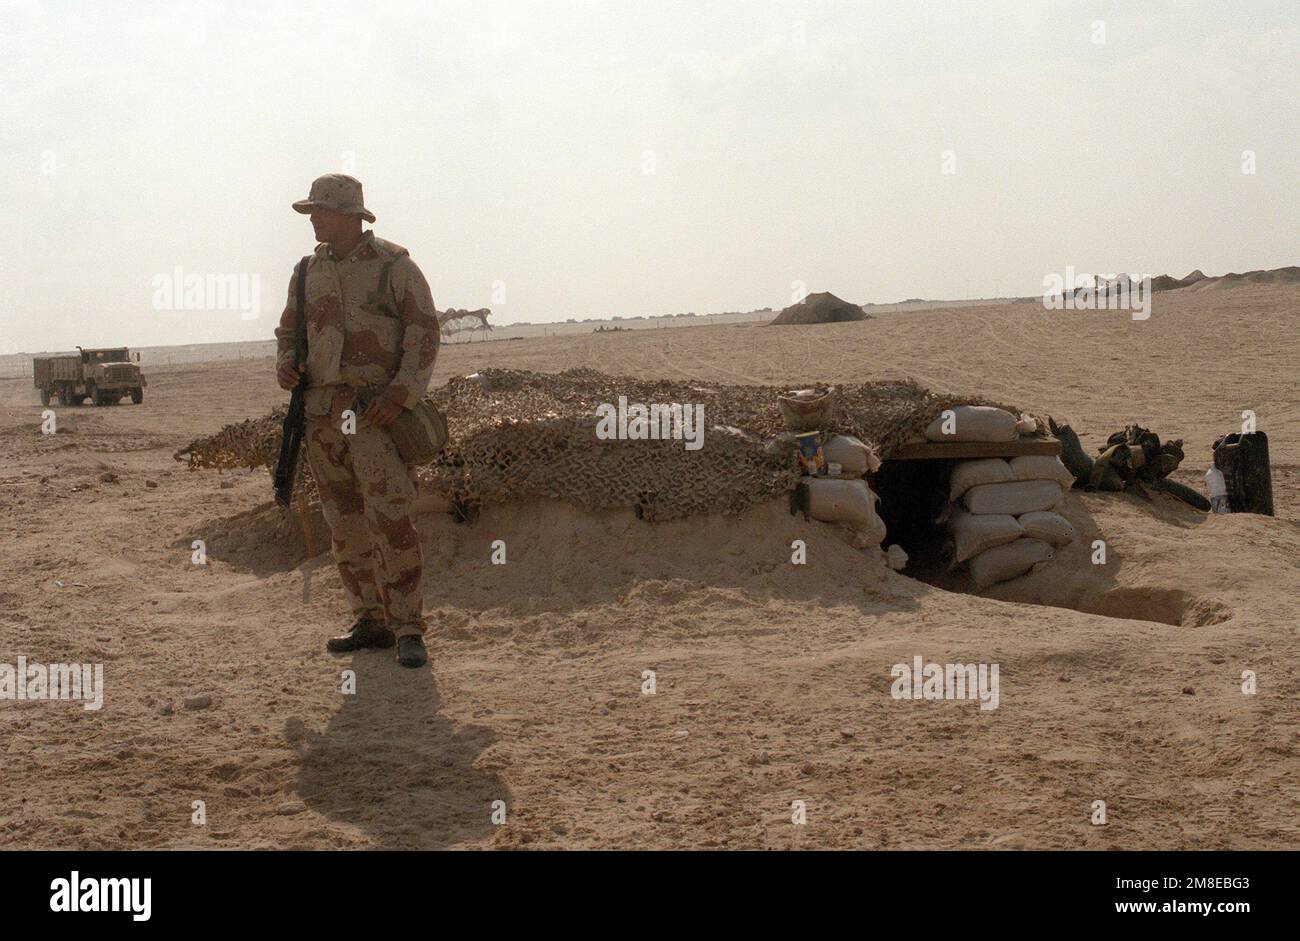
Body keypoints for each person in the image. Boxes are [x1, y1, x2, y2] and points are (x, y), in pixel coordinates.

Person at [275, 174, 439, 667]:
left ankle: (408, 627)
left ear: (350, 215)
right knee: (343, 525)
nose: (313, 220)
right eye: (310, 212)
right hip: (323, 419)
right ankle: (370, 621)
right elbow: (288, 330)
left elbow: (424, 334)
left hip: (375, 416)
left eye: (321, 211)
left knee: (392, 521)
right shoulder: (307, 271)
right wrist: (286, 363)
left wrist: (401, 395)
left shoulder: (395, 265)